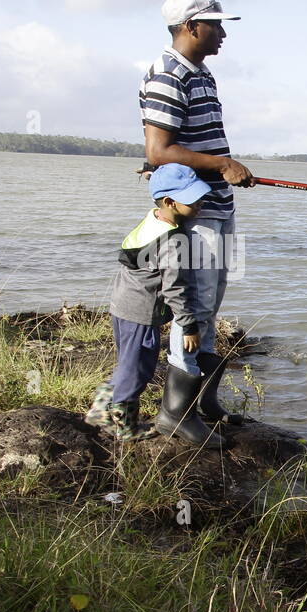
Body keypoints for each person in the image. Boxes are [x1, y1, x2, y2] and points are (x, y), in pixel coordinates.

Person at [140, 0, 253, 432]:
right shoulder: (169, 74)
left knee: (210, 305)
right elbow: (158, 149)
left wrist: (225, 170)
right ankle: (174, 415)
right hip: (195, 214)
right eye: (216, 23)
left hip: (218, 204)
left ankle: (203, 405)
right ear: (190, 27)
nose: (223, 32)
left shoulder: (202, 74)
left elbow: (183, 142)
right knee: (194, 305)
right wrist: (223, 164)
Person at [85, 164, 217, 446]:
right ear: (170, 202)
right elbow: (175, 289)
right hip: (141, 313)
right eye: (193, 200)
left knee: (127, 363)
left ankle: (99, 409)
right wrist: (189, 325)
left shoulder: (153, 220)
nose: (200, 204)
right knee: (139, 370)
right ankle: (123, 425)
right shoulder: (174, 240)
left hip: (122, 305)